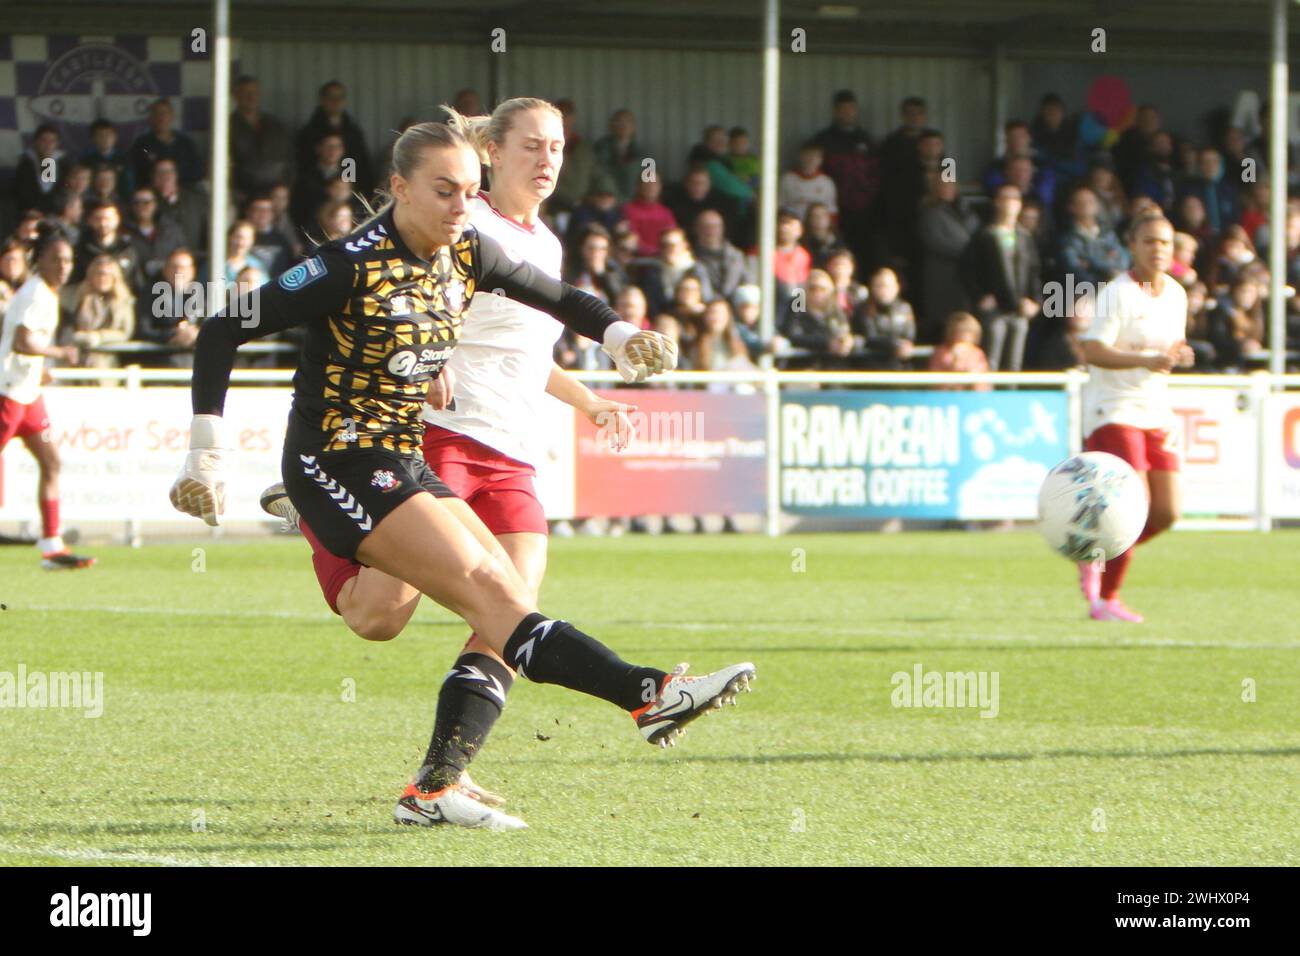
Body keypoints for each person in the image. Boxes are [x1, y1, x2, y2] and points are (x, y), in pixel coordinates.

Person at [170, 119, 752, 831]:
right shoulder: (347, 263)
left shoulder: (468, 249)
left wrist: (620, 335)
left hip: (400, 455)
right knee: (486, 593)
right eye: (444, 192)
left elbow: (558, 295)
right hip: (338, 456)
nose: (459, 207)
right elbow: (227, 325)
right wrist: (207, 446)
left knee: (428, 610)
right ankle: (648, 693)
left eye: (469, 192)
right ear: (398, 188)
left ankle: (430, 789)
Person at [1078, 211, 1194, 622]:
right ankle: (1106, 599)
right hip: (1114, 409)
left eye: (1164, 242)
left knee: (1167, 513)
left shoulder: (1177, 294)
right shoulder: (1118, 293)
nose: (1158, 249)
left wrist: (1179, 354)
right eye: (1149, 241)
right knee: (1136, 505)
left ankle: (1096, 554)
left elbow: (1172, 345)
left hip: (1154, 410)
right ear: (1133, 245)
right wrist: (1147, 359)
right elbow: (1091, 350)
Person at [0, 223, 96, 569]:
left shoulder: (45, 292)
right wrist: (59, 352)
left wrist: (39, 368)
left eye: (68, 260)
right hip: (8, 393)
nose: (64, 266)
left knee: (52, 461)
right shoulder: (36, 292)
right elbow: (21, 341)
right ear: (39, 259)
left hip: (28, 395)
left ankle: (52, 545)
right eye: (56, 259)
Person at [962, 183, 1041, 371]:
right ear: (997, 202)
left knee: (1015, 362)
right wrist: (979, 296)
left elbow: (1034, 271)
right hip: (995, 307)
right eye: (1005, 198)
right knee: (992, 358)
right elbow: (967, 269)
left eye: (1015, 199)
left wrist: (1035, 301)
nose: (1010, 204)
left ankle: (1011, 397)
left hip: (1019, 307)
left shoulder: (1025, 237)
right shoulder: (985, 235)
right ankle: (987, 396)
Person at [62, 254, 136, 369]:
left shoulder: (124, 301)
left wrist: (100, 337)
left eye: (106, 274)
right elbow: (67, 325)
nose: (102, 278)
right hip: (78, 358)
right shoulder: (77, 296)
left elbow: (125, 332)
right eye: (99, 274)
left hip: (107, 360)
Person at [129, 98, 203, 187]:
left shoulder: (185, 143)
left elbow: (197, 172)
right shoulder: (142, 144)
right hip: (152, 194)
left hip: (183, 193)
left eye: (165, 113)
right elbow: (135, 173)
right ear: (150, 118)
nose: (161, 117)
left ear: (172, 116)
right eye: (157, 113)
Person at [929, 311, 990, 391]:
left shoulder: (977, 353)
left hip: (971, 396)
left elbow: (982, 382)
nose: (964, 336)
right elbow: (935, 380)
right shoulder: (941, 353)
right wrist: (955, 361)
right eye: (960, 331)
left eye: (968, 332)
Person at [778, 142, 838, 221]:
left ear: (821, 160)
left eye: (815, 156)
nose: (811, 159)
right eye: (808, 155)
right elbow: (780, 206)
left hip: (817, 227)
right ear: (800, 156)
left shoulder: (826, 182)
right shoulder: (787, 179)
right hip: (794, 226)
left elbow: (832, 211)